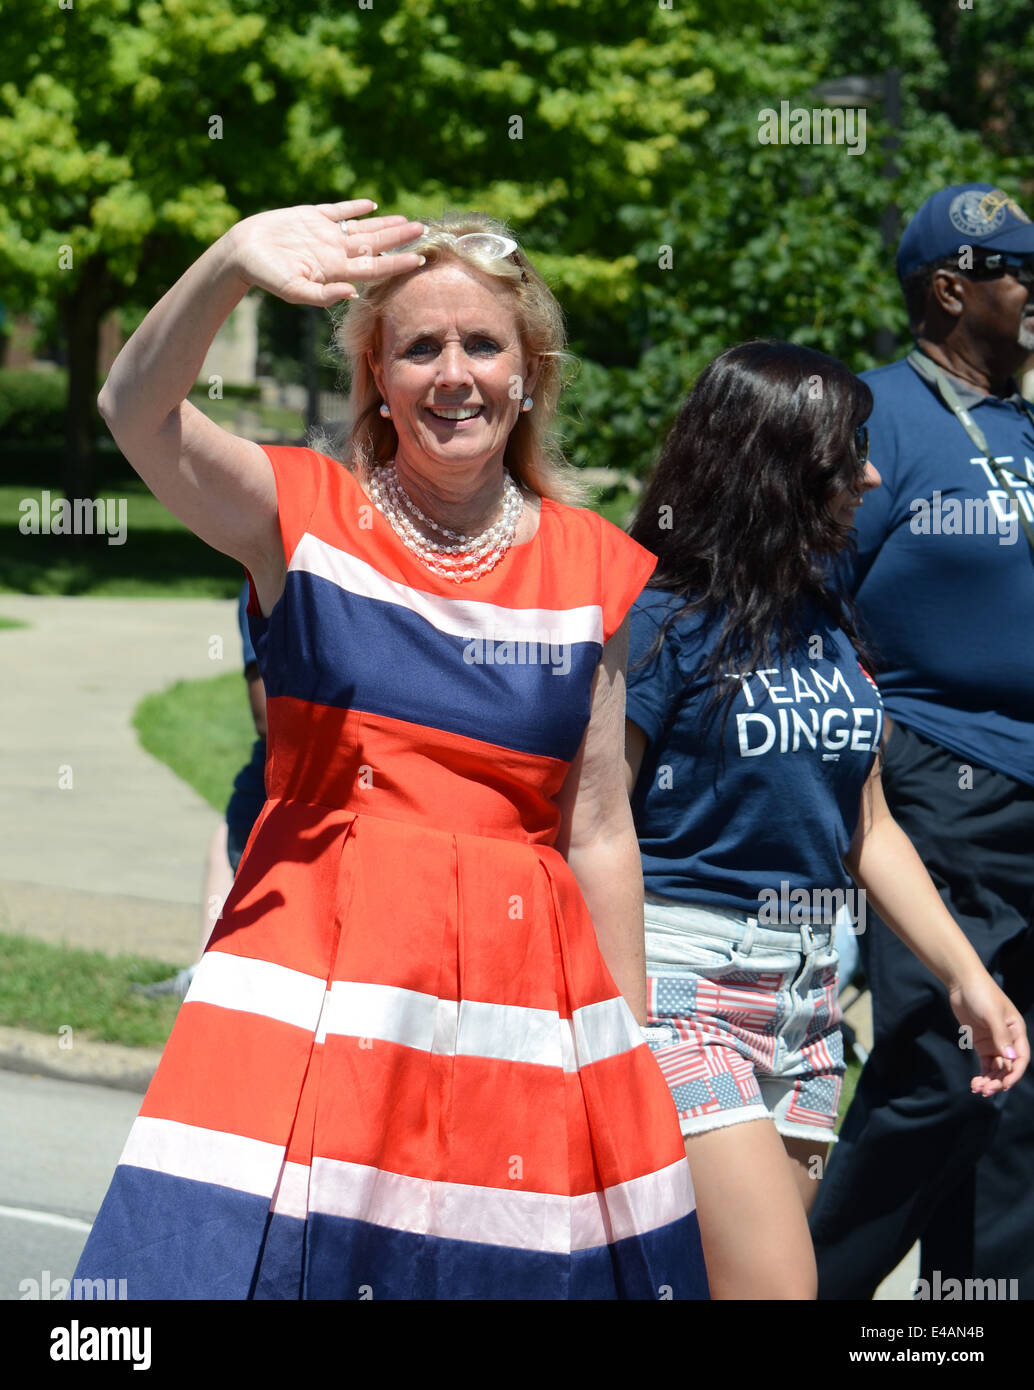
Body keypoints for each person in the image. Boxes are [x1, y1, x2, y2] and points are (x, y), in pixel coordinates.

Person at [71, 199, 709, 1299]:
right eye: (417, 346)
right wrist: (229, 262)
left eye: (480, 344)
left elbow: (598, 828)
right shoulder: (300, 515)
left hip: (516, 1004)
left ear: (525, 372)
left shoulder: (590, 567)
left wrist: (629, 1046)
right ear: (376, 375)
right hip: (313, 979)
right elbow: (134, 409)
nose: (451, 372)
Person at [622, 340, 1029, 1300]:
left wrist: (969, 980)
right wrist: (610, 1000)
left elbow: (870, 827)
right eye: (852, 452)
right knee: (777, 1291)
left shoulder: (825, 615)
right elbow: (589, 824)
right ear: (779, 463)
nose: (873, 473)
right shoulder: (657, 622)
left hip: (804, 1012)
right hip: (685, 992)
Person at [809, 183, 1034, 1299]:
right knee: (936, 1071)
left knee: (1016, 1096)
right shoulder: (873, 419)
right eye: (1017, 274)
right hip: (936, 784)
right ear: (951, 288)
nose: (1033, 293)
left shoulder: (1027, 422)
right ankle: (796, 1284)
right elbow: (809, 595)